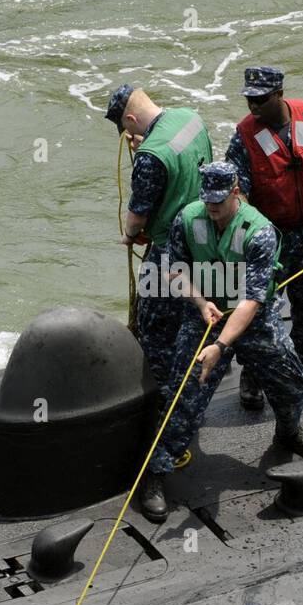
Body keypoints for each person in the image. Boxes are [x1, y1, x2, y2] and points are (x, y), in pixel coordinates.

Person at [136, 162, 303, 523]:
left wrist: (220, 345)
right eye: (208, 200)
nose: (213, 207)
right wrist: (200, 302)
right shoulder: (187, 219)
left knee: (292, 382)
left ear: (236, 192)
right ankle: (155, 475)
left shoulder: (260, 232)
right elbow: (176, 270)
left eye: (219, 200)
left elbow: (252, 301)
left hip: (251, 318)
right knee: (184, 396)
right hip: (205, 314)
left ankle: (288, 430)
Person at [224, 66, 303, 407]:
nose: (253, 107)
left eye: (261, 100)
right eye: (249, 99)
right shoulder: (245, 136)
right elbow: (240, 192)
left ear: (279, 94)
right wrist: (253, 234)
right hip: (273, 241)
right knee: (260, 310)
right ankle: (253, 374)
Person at [104, 84, 211, 397]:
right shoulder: (191, 118)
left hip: (170, 250)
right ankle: (198, 376)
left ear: (132, 118)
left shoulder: (151, 156)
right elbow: (181, 158)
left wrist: (129, 235)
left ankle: (167, 399)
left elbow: (138, 215)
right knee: (192, 314)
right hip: (203, 236)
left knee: (155, 328)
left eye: (125, 128)